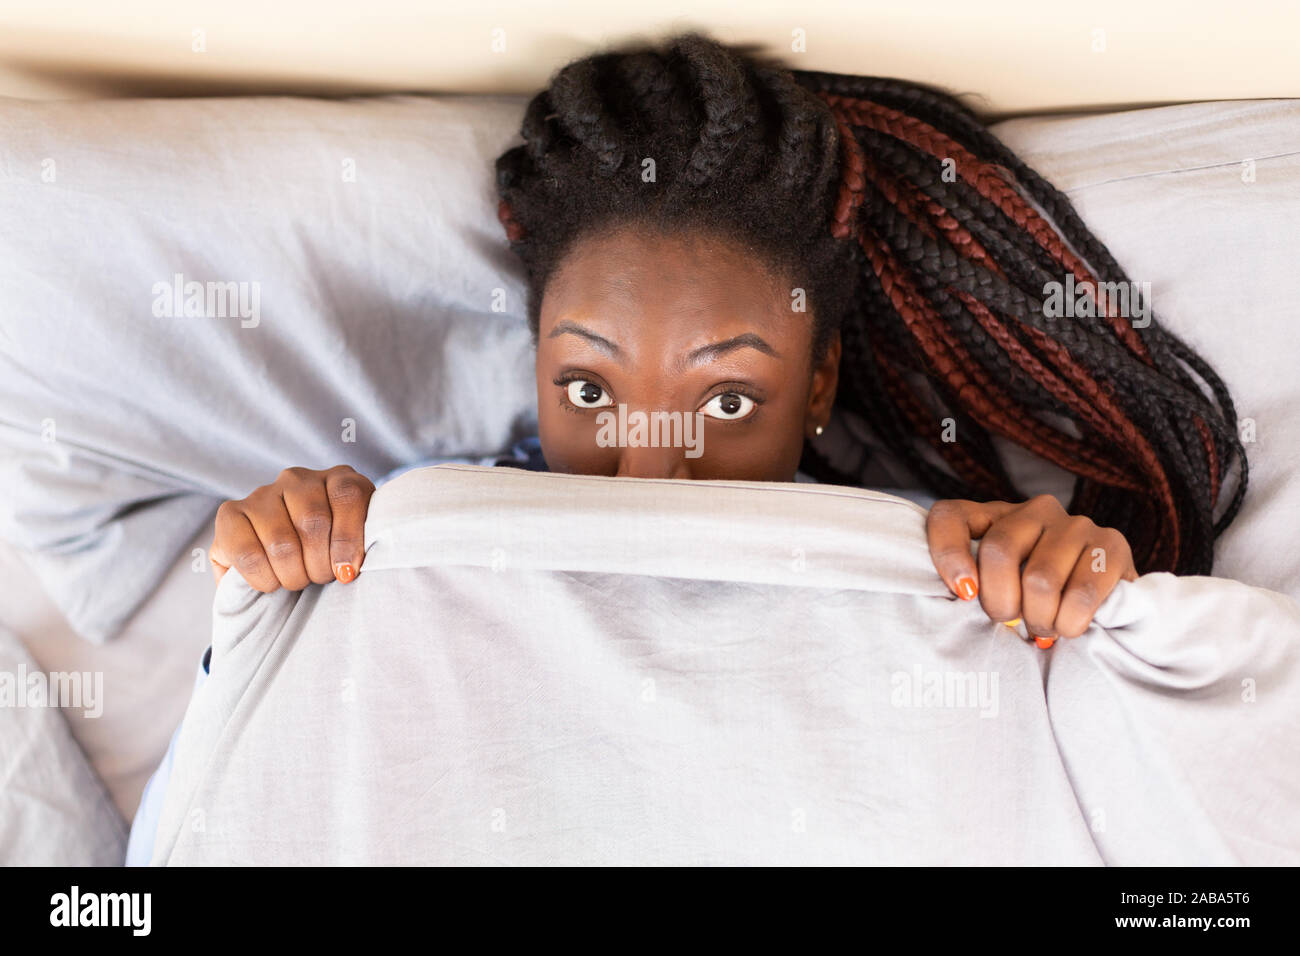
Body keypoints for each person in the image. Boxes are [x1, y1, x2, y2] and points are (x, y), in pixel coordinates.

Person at [127, 31, 1247, 863]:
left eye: (724, 401)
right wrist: (265, 629)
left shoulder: (941, 577)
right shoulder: (398, 552)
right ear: (532, 370)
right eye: (587, 386)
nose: (650, 471)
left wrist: (1075, 593)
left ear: (818, 386)